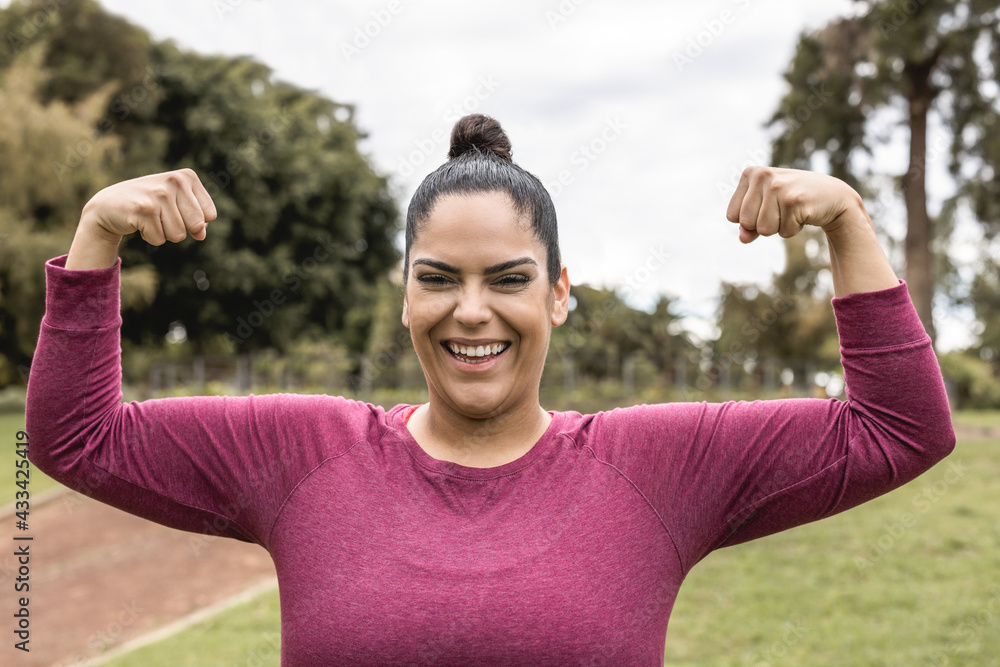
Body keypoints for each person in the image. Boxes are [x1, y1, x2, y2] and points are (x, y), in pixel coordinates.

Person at [27, 114, 954, 665]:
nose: (472, 311)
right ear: (404, 296)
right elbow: (80, 440)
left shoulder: (656, 465)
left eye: (509, 279)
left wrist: (846, 220)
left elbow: (899, 430)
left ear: (558, 293)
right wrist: (97, 233)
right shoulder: (305, 451)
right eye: (438, 278)